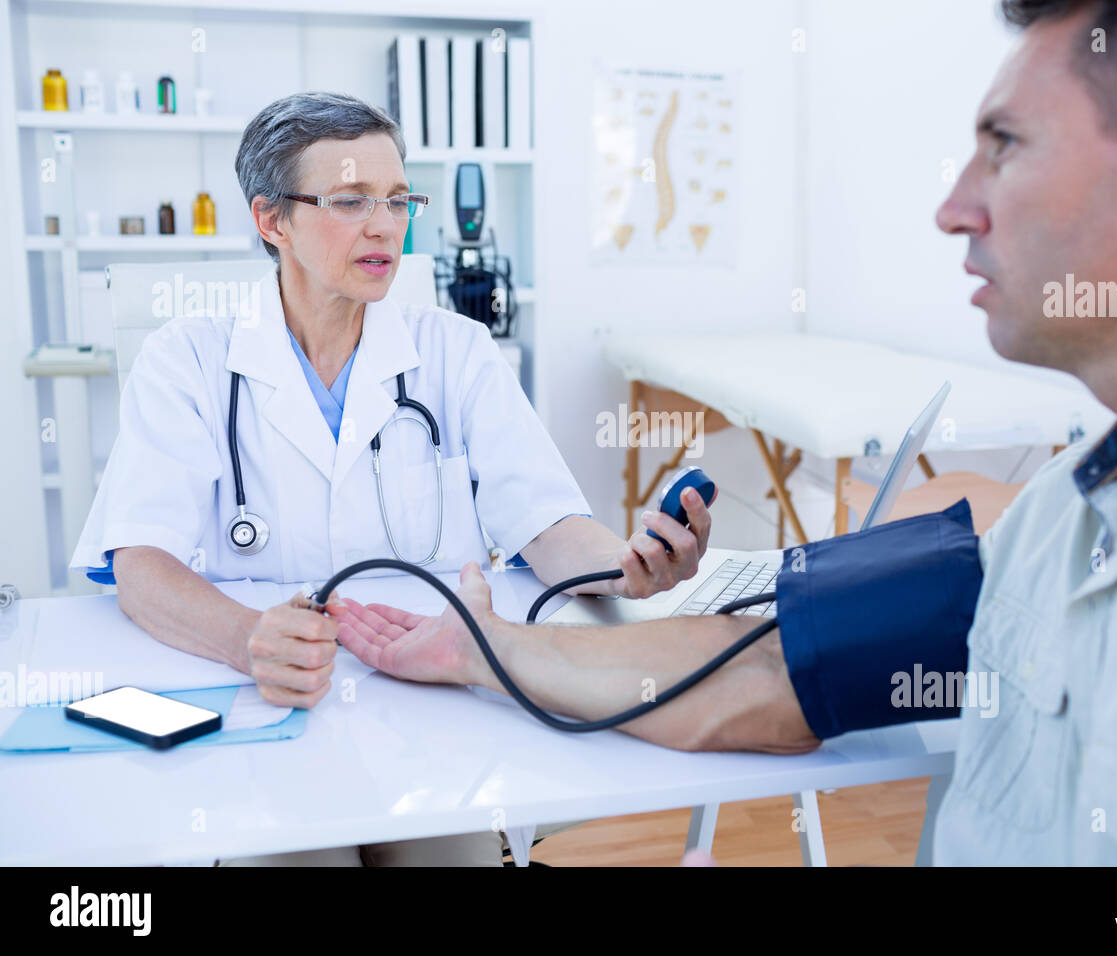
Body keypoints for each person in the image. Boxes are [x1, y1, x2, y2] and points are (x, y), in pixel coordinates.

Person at [330, 0, 1117, 865]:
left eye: (1004, 143)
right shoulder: (1053, 522)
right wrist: (479, 650)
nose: (952, 207)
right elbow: (762, 668)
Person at [70, 92, 715, 866]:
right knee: (297, 856)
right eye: (351, 201)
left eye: (399, 200)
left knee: (450, 855)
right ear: (272, 220)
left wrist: (623, 566)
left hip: (432, 704)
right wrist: (247, 640)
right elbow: (141, 565)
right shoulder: (188, 360)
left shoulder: (458, 352)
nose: (386, 226)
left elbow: (545, 525)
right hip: (268, 702)